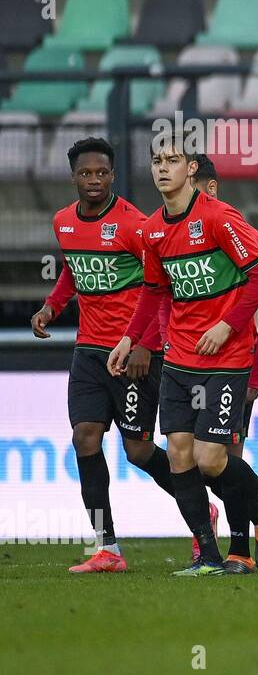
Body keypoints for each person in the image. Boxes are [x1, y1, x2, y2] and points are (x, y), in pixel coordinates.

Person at [107, 145, 258, 576]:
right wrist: (130, 337)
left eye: (172, 161)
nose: (162, 169)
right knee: (179, 457)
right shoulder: (151, 231)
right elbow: (154, 291)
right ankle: (209, 557)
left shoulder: (218, 219)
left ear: (191, 170)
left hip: (226, 358)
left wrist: (227, 325)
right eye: (156, 162)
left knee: (213, 458)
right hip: (179, 358)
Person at [32, 138, 179, 573]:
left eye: (101, 173)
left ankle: (198, 512)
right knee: (85, 439)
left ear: (113, 175)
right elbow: (72, 271)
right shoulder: (64, 222)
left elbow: (162, 284)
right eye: (85, 173)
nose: (93, 180)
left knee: (137, 450)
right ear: (73, 176)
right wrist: (51, 307)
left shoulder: (134, 224)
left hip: (131, 352)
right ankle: (107, 548)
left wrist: (147, 345)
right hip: (89, 351)